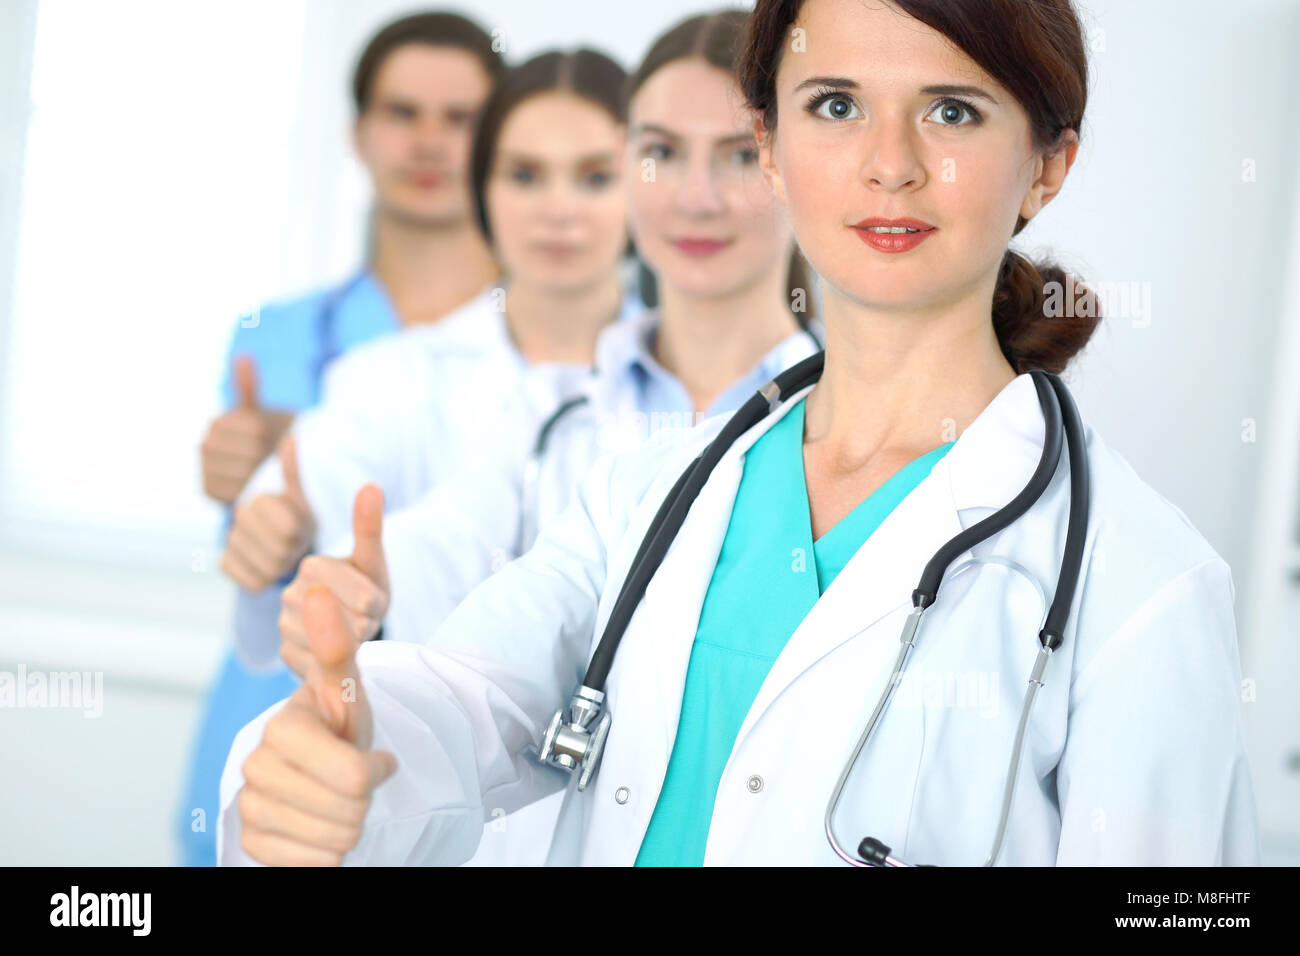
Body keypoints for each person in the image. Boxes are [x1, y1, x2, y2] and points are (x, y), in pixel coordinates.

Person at [218, 0, 1260, 866]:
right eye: (836, 104)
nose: (887, 163)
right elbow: (463, 699)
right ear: (772, 147)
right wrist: (330, 745)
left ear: (1047, 164)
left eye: (951, 110)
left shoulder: (1144, 586)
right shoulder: (648, 494)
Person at [272, 10, 824, 865]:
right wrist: (358, 600)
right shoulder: (545, 417)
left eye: (741, 154)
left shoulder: (850, 428)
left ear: (800, 166)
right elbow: (453, 602)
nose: (695, 195)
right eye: (661, 151)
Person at [178, 10, 504, 867]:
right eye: (402, 113)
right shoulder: (277, 341)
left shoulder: (554, 345)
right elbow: (251, 561)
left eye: (461, 117)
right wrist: (245, 490)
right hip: (278, 708)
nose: (430, 141)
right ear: (358, 133)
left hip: (465, 734)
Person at [218, 48, 635, 674]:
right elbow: (325, 472)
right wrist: (280, 522)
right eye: (524, 175)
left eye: (596, 177)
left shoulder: (705, 388)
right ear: (482, 190)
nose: (559, 208)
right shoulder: (396, 374)